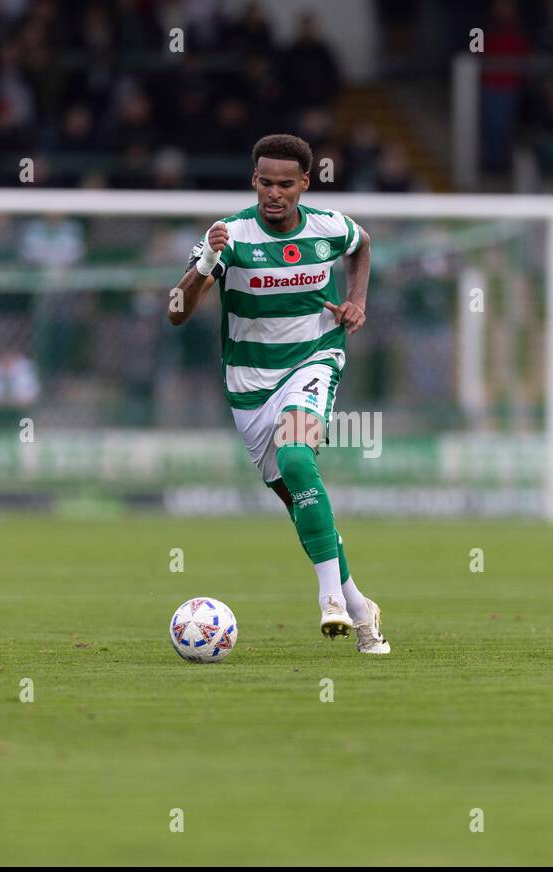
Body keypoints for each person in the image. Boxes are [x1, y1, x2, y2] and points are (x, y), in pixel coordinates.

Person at [166, 133, 388, 654]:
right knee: (296, 495)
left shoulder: (330, 227)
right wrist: (203, 268)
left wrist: (356, 299)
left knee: (297, 456)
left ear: (304, 185)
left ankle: (329, 599)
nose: (274, 192)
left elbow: (363, 244)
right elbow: (176, 312)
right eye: (265, 182)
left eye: (286, 184)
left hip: (315, 359)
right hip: (248, 384)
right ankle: (359, 606)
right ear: (254, 181)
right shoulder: (230, 235)